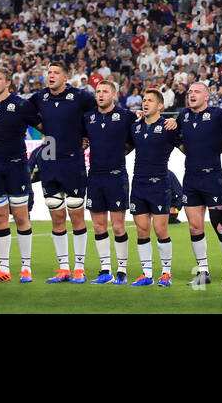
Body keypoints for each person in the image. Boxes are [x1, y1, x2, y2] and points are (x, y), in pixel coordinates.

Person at [29, 61, 97, 283]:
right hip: (49, 161)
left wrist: (86, 134)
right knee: (56, 216)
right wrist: (44, 129)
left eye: (56, 72)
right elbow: (25, 114)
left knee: (76, 215)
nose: (51, 75)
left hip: (72, 161)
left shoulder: (80, 97)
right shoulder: (40, 98)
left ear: (66, 77)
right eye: (49, 72)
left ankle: (79, 267)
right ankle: (63, 268)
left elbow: (98, 112)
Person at [0, 66, 41, 283]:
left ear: (8, 83)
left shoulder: (22, 105)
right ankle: (3, 268)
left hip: (17, 166)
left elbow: (43, 126)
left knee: (21, 216)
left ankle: (26, 267)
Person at [176, 81, 222, 287]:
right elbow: (175, 136)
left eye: (197, 91)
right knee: (194, 226)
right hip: (191, 178)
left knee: (220, 225)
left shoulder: (218, 115)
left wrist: (217, 150)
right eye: (190, 91)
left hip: (213, 178)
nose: (192, 94)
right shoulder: (183, 115)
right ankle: (203, 271)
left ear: (207, 97)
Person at [83, 79, 136, 284]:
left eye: (105, 91)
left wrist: (122, 152)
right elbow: (83, 139)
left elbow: (134, 140)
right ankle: (105, 269)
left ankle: (121, 269)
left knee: (118, 225)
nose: (101, 94)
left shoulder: (126, 116)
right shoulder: (88, 117)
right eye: (98, 91)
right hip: (95, 175)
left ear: (114, 95)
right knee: (98, 226)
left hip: (116, 176)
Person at [128, 88, 179, 286]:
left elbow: (185, 145)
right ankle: (147, 275)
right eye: (144, 100)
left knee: (160, 230)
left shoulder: (167, 127)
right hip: (138, 183)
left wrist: (177, 122)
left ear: (160, 106)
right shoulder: (136, 128)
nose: (145, 103)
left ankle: (166, 273)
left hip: (159, 185)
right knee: (142, 230)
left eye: (150, 100)